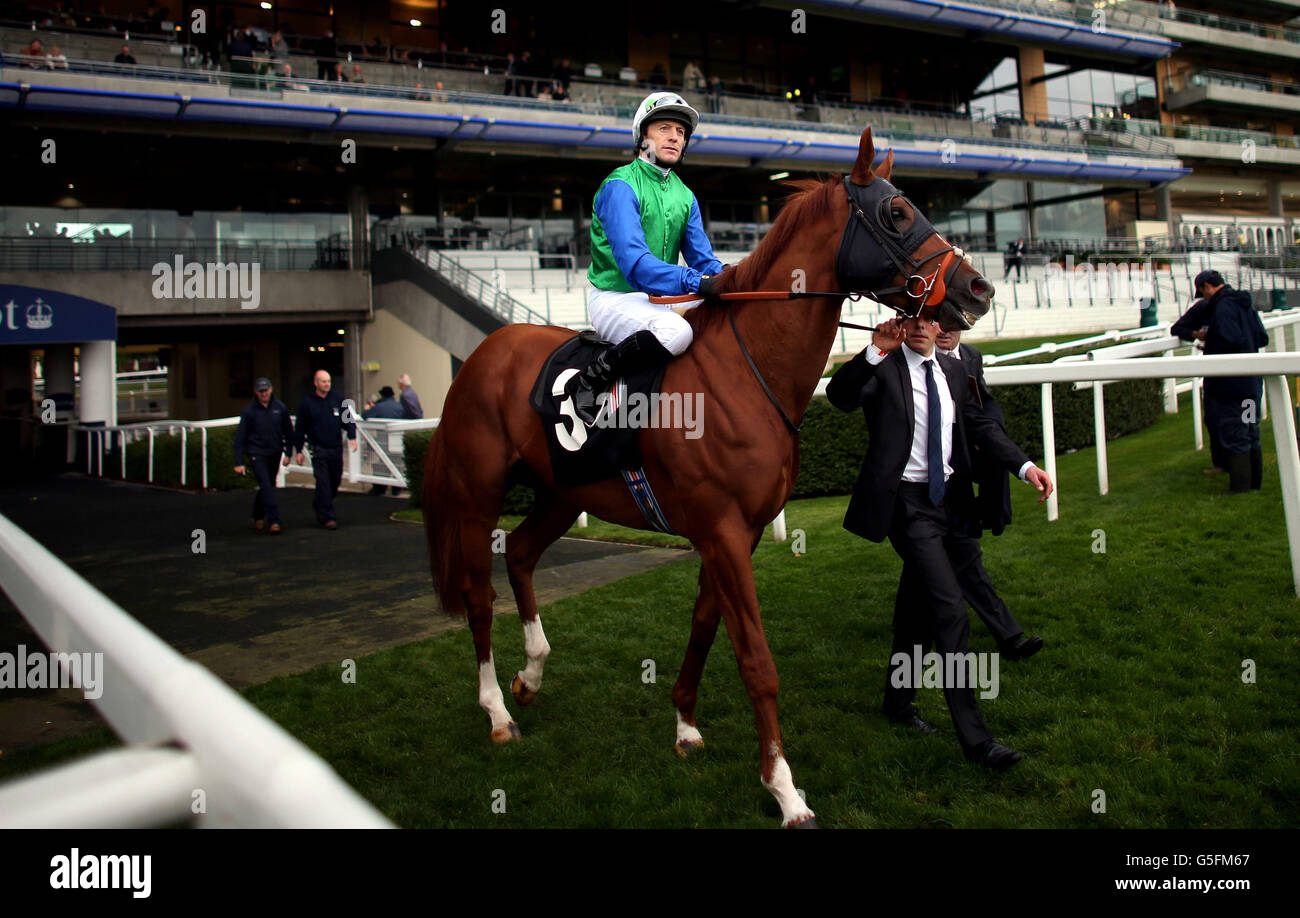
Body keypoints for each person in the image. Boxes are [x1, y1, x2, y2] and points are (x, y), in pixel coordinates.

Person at [827, 312, 1054, 771]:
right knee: (949, 609)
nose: (920, 325)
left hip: (950, 501)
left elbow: (981, 426)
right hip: (906, 506)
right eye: (912, 317)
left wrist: (1025, 466)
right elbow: (839, 396)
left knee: (916, 613)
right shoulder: (884, 366)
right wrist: (873, 349)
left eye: (930, 320)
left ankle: (897, 703)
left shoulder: (952, 368)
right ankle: (977, 741)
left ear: (942, 328)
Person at [572, 91, 726, 425]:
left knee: (727, 314)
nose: (675, 137)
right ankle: (591, 380)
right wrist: (697, 281)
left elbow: (703, 259)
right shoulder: (620, 185)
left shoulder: (685, 194)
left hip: (661, 299)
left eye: (682, 132)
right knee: (678, 333)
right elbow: (636, 265)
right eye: (665, 128)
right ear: (644, 136)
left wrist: (730, 276)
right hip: (616, 298)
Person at [920, 327, 1045, 659]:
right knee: (943, 568)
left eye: (953, 322)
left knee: (962, 559)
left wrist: (1024, 466)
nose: (943, 330)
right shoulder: (906, 362)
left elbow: (982, 415)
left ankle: (1009, 638)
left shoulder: (970, 358)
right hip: (913, 491)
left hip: (956, 479)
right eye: (937, 320)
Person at [1171, 270, 1269, 492]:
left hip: (1232, 384)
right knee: (1250, 428)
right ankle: (1255, 484)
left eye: (1202, 292)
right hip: (1251, 381)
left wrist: (1210, 342)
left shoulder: (1222, 307)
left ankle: (1240, 487)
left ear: (1207, 286)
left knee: (1236, 432)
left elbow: (1229, 339)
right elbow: (1262, 337)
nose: (1203, 298)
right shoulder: (1244, 303)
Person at [294, 370, 358, 529]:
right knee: (323, 483)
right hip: (318, 449)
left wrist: (352, 437)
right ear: (316, 383)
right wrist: (299, 450)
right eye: (323, 381)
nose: (327, 384)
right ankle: (329, 517)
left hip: (335, 448)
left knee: (334, 481)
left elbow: (349, 421)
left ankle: (319, 504)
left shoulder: (339, 400)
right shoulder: (307, 403)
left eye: (329, 381)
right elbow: (300, 429)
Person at [233, 377, 295, 534]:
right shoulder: (249, 411)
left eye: (266, 390)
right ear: (256, 392)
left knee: (268, 485)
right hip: (257, 453)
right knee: (266, 485)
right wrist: (238, 461)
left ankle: (257, 514)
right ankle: (275, 520)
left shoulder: (280, 408)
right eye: (261, 391)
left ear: (271, 389)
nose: (264, 394)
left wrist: (288, 452)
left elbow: (288, 431)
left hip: (275, 452)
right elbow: (240, 437)